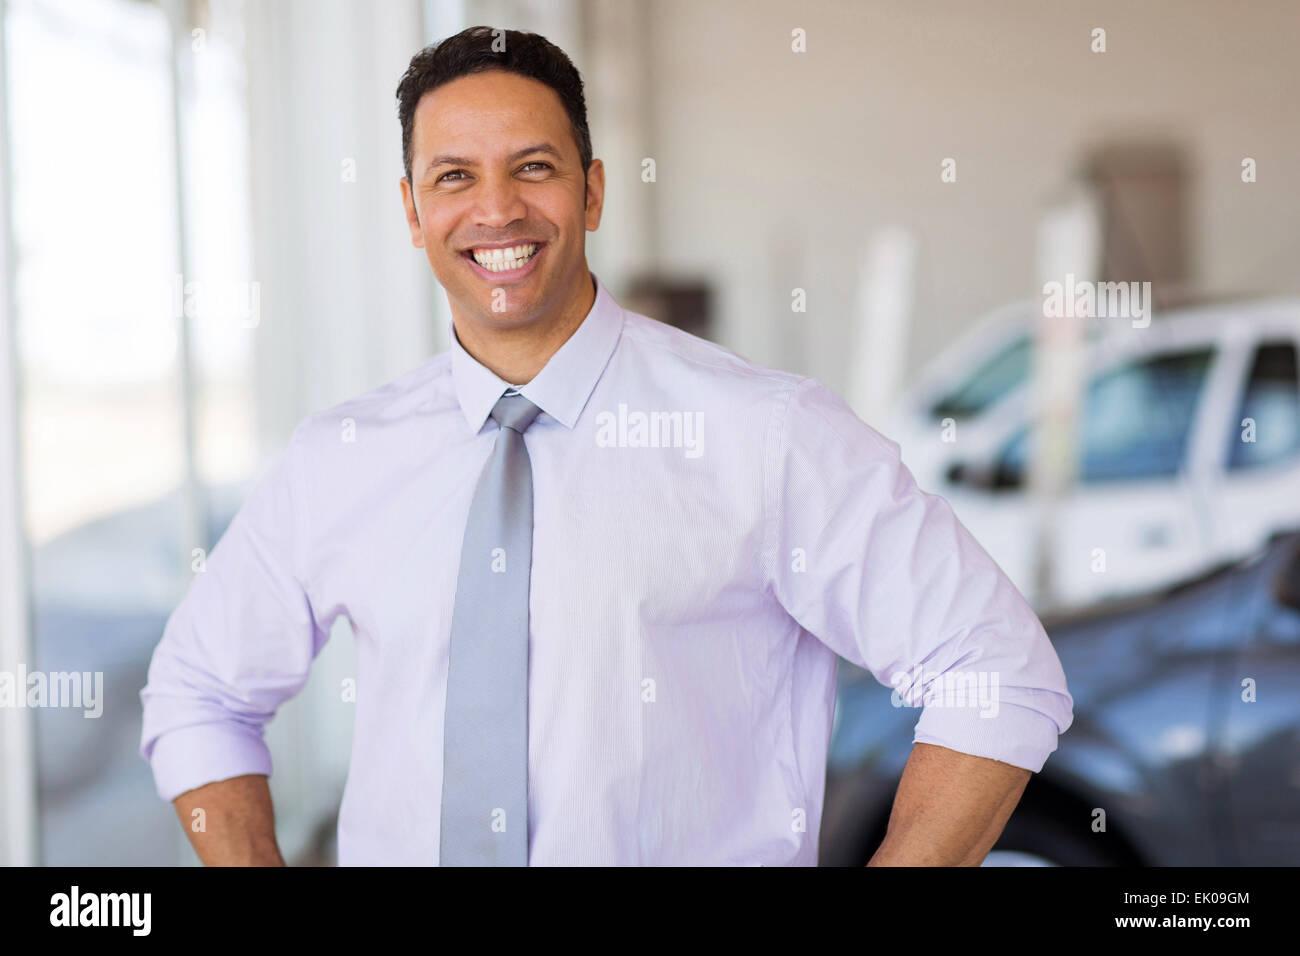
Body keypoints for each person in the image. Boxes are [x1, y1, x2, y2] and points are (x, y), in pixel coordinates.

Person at [139, 25, 1073, 866]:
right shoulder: (340, 457)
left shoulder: (764, 435)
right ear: (412, 211)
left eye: (533, 167)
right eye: (454, 176)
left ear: (591, 192)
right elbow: (198, 694)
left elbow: (992, 668)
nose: (496, 209)